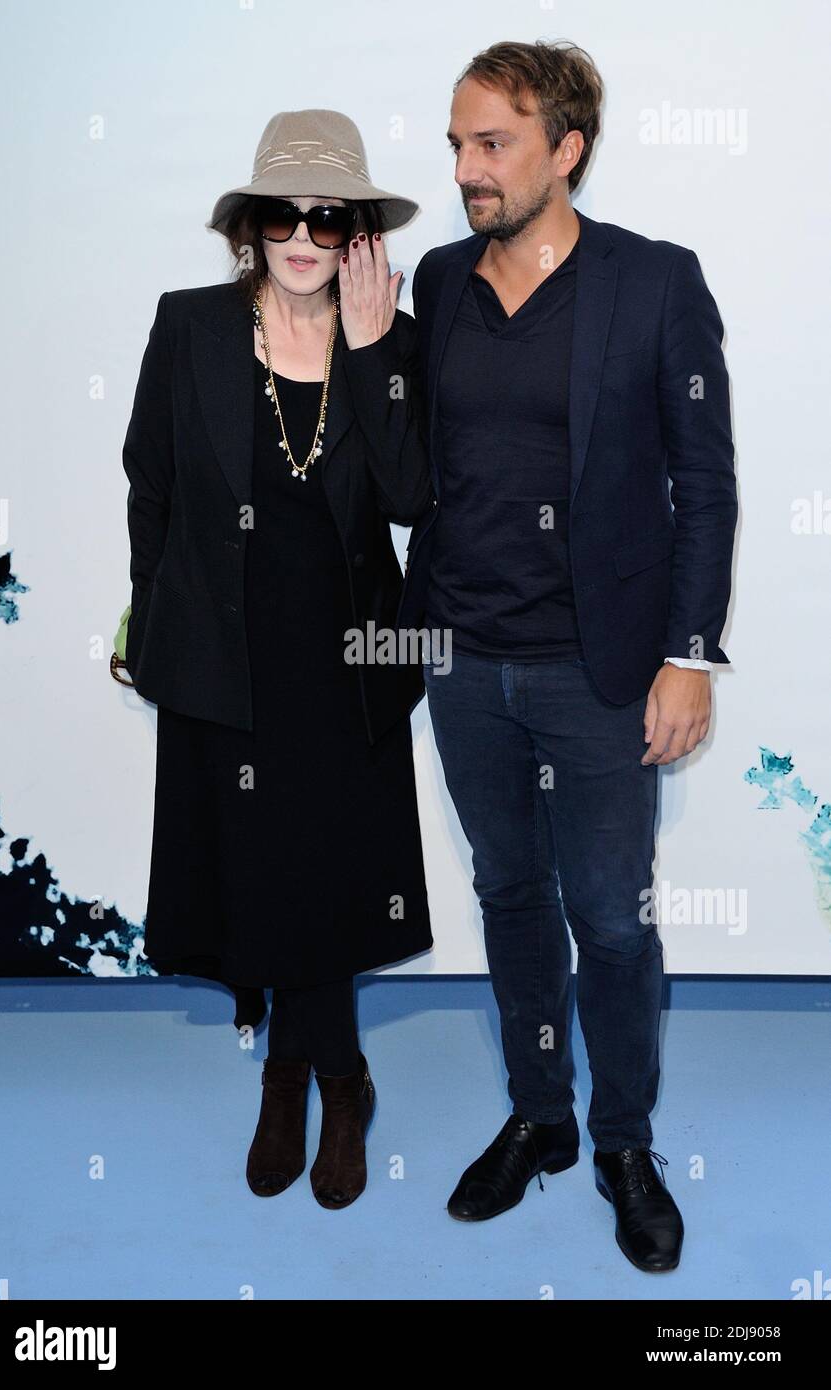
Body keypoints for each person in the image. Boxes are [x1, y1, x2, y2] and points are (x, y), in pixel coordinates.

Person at [402, 41, 737, 1269]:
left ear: (566, 150)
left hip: (598, 671)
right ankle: (540, 1121)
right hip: (461, 658)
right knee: (506, 896)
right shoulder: (435, 284)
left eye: (491, 144)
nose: (467, 168)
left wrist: (687, 653)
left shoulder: (651, 284)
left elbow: (703, 483)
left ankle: (622, 1143)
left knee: (608, 918)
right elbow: (406, 472)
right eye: (456, 144)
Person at [121, 109, 434, 1209]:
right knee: (256, 867)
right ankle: (319, 1073)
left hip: (346, 658)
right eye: (282, 213)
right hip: (223, 652)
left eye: (326, 215)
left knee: (326, 870)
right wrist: (144, 616)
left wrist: (372, 348)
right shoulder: (190, 325)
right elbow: (149, 484)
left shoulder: (389, 334)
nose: (301, 234)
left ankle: (310, 1074)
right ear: (249, 225)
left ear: (354, 231)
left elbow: (407, 496)